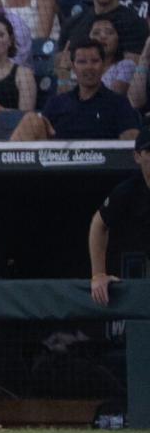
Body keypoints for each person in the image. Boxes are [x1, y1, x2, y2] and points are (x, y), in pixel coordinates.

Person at [89, 127, 150, 305]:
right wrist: (98, 274)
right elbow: (98, 225)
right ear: (137, 156)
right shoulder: (129, 190)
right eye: (149, 151)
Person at [38, 38, 142, 140]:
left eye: (95, 61)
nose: (89, 67)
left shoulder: (119, 104)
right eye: (82, 62)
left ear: (103, 65)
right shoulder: (56, 104)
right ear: (73, 67)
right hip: (61, 157)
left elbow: (131, 146)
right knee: (30, 120)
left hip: (105, 157)